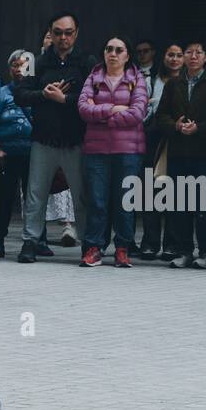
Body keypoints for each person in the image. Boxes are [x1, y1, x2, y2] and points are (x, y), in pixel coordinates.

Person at [12, 12, 96, 263]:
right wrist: (44, 95)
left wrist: (66, 100)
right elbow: (20, 94)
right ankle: (31, 241)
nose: (62, 37)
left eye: (68, 32)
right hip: (42, 138)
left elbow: (94, 96)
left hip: (75, 139)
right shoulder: (33, 60)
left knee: (81, 195)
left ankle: (87, 243)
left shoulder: (88, 62)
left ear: (76, 34)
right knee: (35, 193)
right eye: (57, 32)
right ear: (50, 32)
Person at [152, 37, 206, 269]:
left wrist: (200, 127)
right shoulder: (173, 84)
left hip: (204, 151)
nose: (193, 56)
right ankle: (183, 250)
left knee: (203, 205)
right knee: (179, 205)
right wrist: (175, 126)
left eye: (198, 52)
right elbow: (161, 116)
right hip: (178, 151)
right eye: (189, 52)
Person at [77, 35, 148, 267]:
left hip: (128, 152)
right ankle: (94, 248)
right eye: (109, 49)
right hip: (96, 151)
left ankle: (122, 248)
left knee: (123, 202)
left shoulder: (137, 79)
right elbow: (83, 109)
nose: (113, 53)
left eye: (119, 50)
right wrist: (114, 109)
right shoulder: (94, 78)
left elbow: (137, 113)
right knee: (97, 201)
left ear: (127, 55)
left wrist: (101, 115)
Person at [141, 41, 184, 258]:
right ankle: (149, 243)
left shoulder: (189, 82)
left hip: (179, 140)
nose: (174, 59)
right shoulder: (150, 80)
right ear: (164, 57)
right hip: (154, 139)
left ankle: (172, 244)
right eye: (170, 54)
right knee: (151, 193)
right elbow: (144, 109)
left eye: (179, 55)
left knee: (175, 194)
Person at [0, 50, 33, 258]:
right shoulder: (1, 93)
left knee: (33, 199)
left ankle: (35, 240)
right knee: (4, 199)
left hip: (32, 153)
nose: (19, 70)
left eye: (24, 65)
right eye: (15, 66)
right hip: (6, 154)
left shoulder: (38, 91)